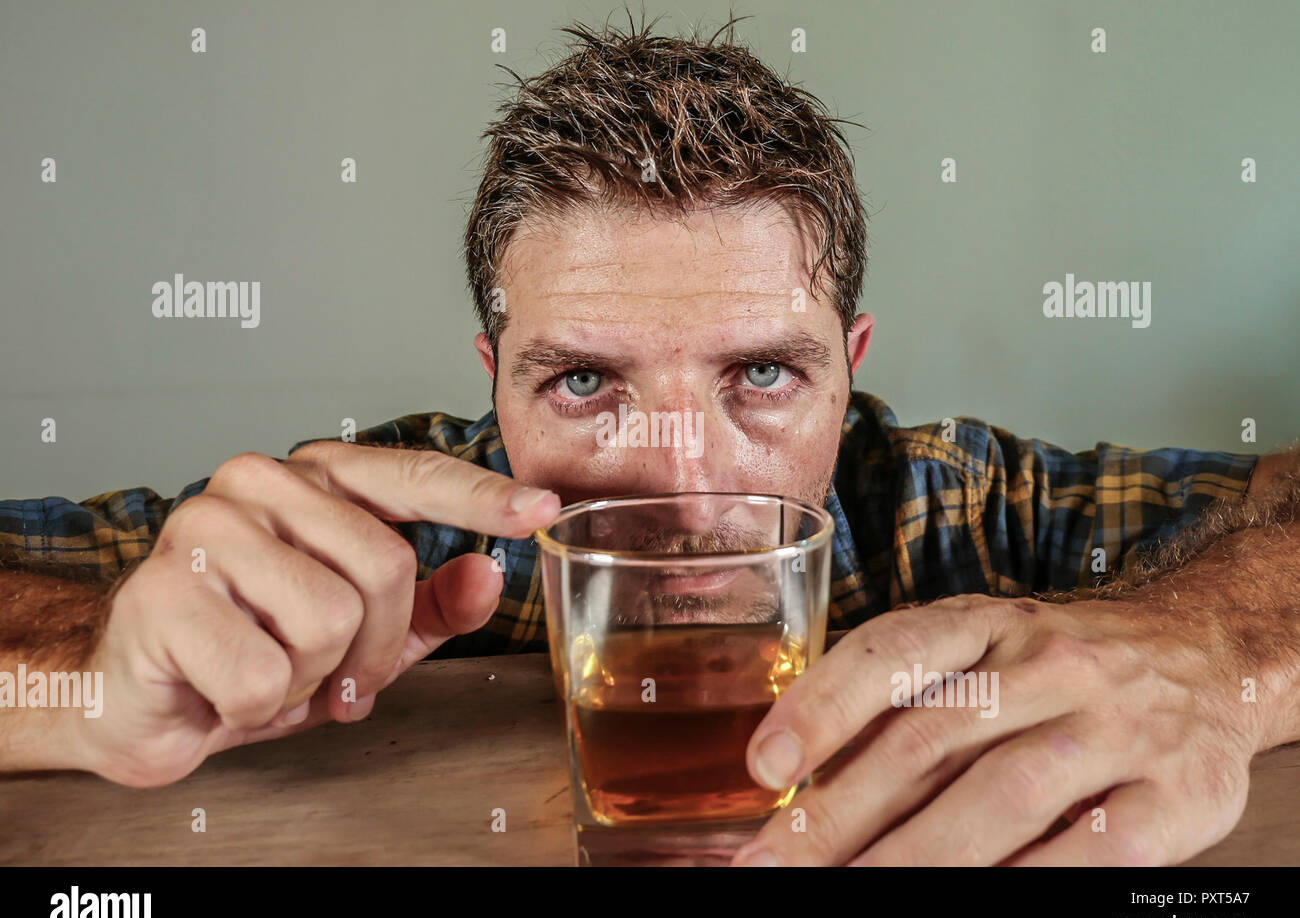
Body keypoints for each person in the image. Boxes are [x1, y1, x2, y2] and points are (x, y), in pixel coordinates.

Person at [3, 15, 1298, 866]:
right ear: (492, 385)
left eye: (760, 376)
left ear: (847, 376)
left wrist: (1218, 645)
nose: (685, 481)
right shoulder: (381, 543)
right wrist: (88, 671)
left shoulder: (957, 512)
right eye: (580, 382)